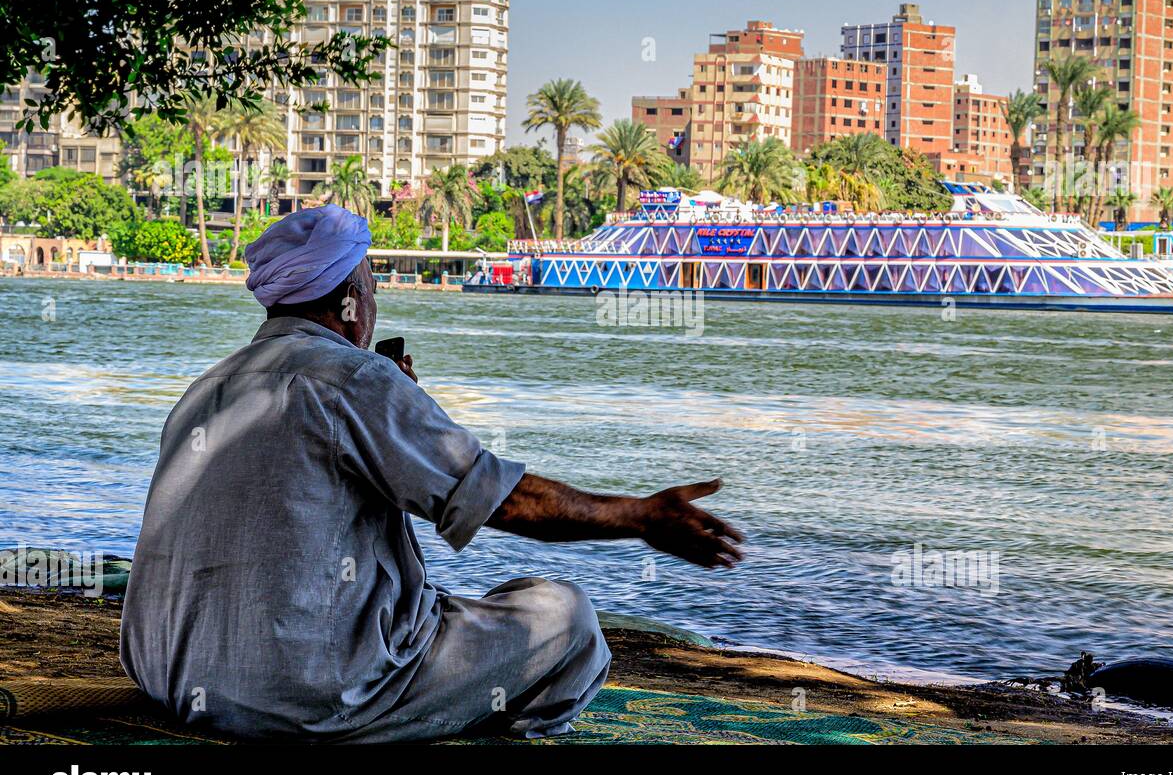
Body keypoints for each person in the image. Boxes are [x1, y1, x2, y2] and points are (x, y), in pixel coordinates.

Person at [120, 204, 743, 742]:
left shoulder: (207, 388)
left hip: (175, 680)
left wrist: (400, 410)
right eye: (369, 288)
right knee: (563, 614)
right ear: (347, 304)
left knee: (464, 607)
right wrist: (642, 517)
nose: (372, 300)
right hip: (308, 697)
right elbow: (506, 502)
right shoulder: (357, 379)